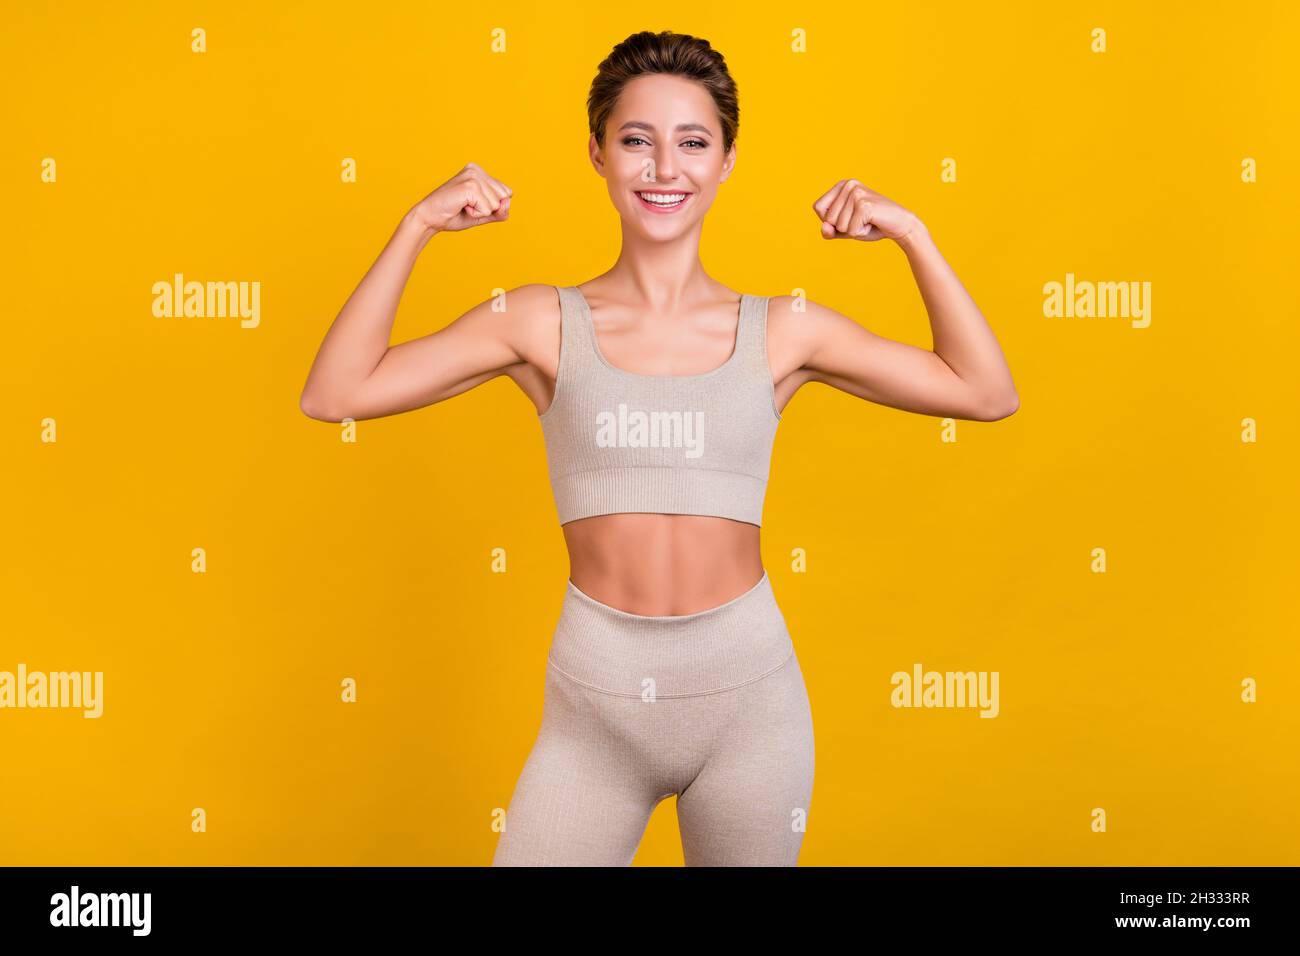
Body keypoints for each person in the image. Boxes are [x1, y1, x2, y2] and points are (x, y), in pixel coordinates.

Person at [299, 30, 1017, 866]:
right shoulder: (539, 321)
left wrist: (913, 236)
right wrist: (417, 224)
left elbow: (985, 391)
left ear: (726, 161)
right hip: (595, 712)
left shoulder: (782, 330)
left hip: (750, 708)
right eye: (636, 141)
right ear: (598, 153)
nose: (664, 169)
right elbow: (335, 393)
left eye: (693, 144)